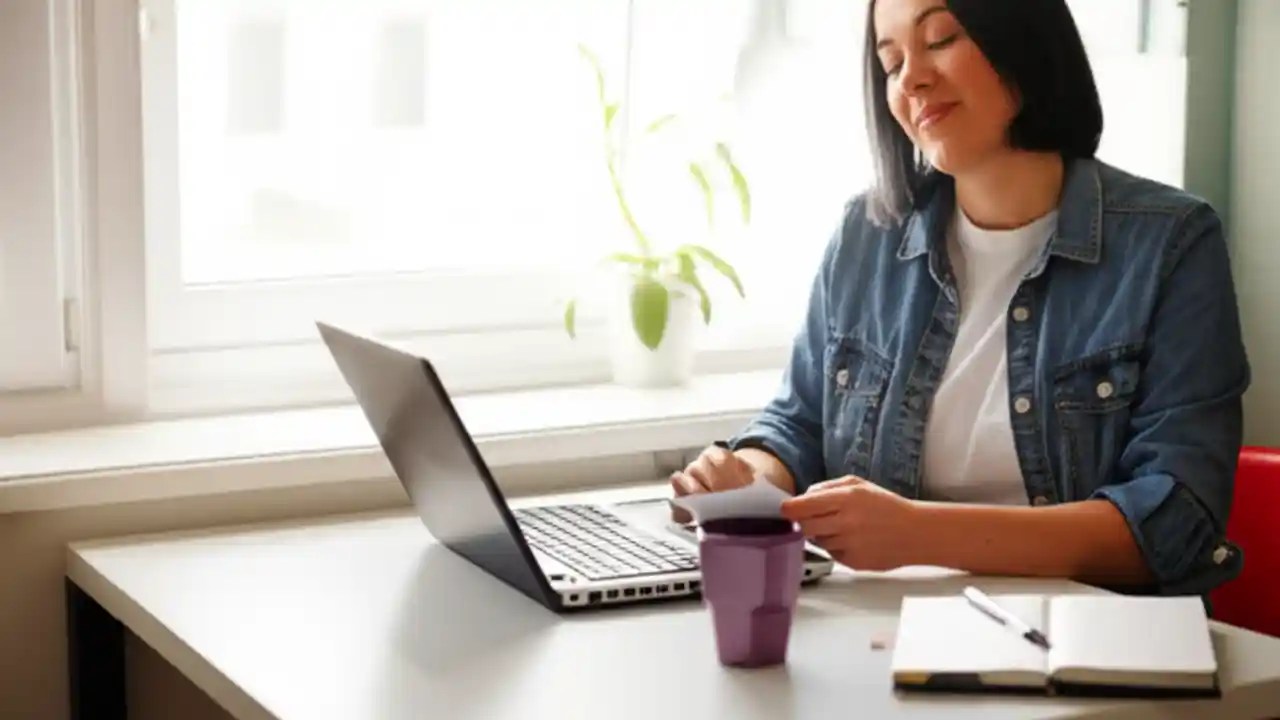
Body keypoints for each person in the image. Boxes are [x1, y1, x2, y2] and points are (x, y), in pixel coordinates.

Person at [670, 0, 1250, 597]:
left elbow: (1174, 521)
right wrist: (749, 477)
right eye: (891, 63)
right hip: (890, 630)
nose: (911, 79)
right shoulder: (865, 236)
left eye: (941, 38)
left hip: (1091, 646)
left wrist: (919, 534)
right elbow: (801, 423)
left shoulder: (1171, 244)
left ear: (1022, 40)